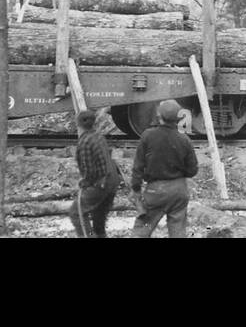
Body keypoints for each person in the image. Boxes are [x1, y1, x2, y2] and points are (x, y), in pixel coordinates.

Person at [130, 99, 198, 238]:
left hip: (155, 193)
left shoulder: (148, 135)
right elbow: (192, 170)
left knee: (143, 228)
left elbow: (138, 167)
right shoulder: (184, 139)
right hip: (179, 192)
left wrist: (136, 189)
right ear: (179, 117)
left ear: (159, 116)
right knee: (178, 231)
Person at [69, 109, 122, 238]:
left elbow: (90, 172)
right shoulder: (99, 136)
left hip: (102, 183)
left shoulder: (85, 142)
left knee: (77, 213)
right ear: (94, 123)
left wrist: (84, 182)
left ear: (78, 123)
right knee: (99, 216)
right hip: (112, 181)